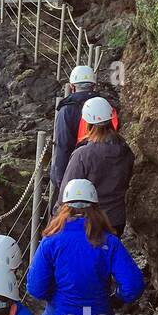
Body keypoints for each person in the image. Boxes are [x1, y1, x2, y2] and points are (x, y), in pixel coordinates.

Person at [26, 178, 143, 315]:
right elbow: (133, 284)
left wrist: (55, 296)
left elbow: (35, 287)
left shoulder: (51, 241)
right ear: (96, 207)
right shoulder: (109, 241)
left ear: (64, 207)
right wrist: (116, 299)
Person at [59, 96, 135, 237]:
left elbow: (66, 192)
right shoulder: (125, 150)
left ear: (87, 122)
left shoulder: (83, 154)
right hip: (116, 219)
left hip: (90, 220)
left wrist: (56, 218)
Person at [50, 64, 117, 200]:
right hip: (105, 180)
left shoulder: (67, 110)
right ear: (93, 85)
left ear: (72, 86)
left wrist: (60, 182)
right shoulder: (105, 106)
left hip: (74, 173)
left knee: (73, 216)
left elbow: (63, 146)